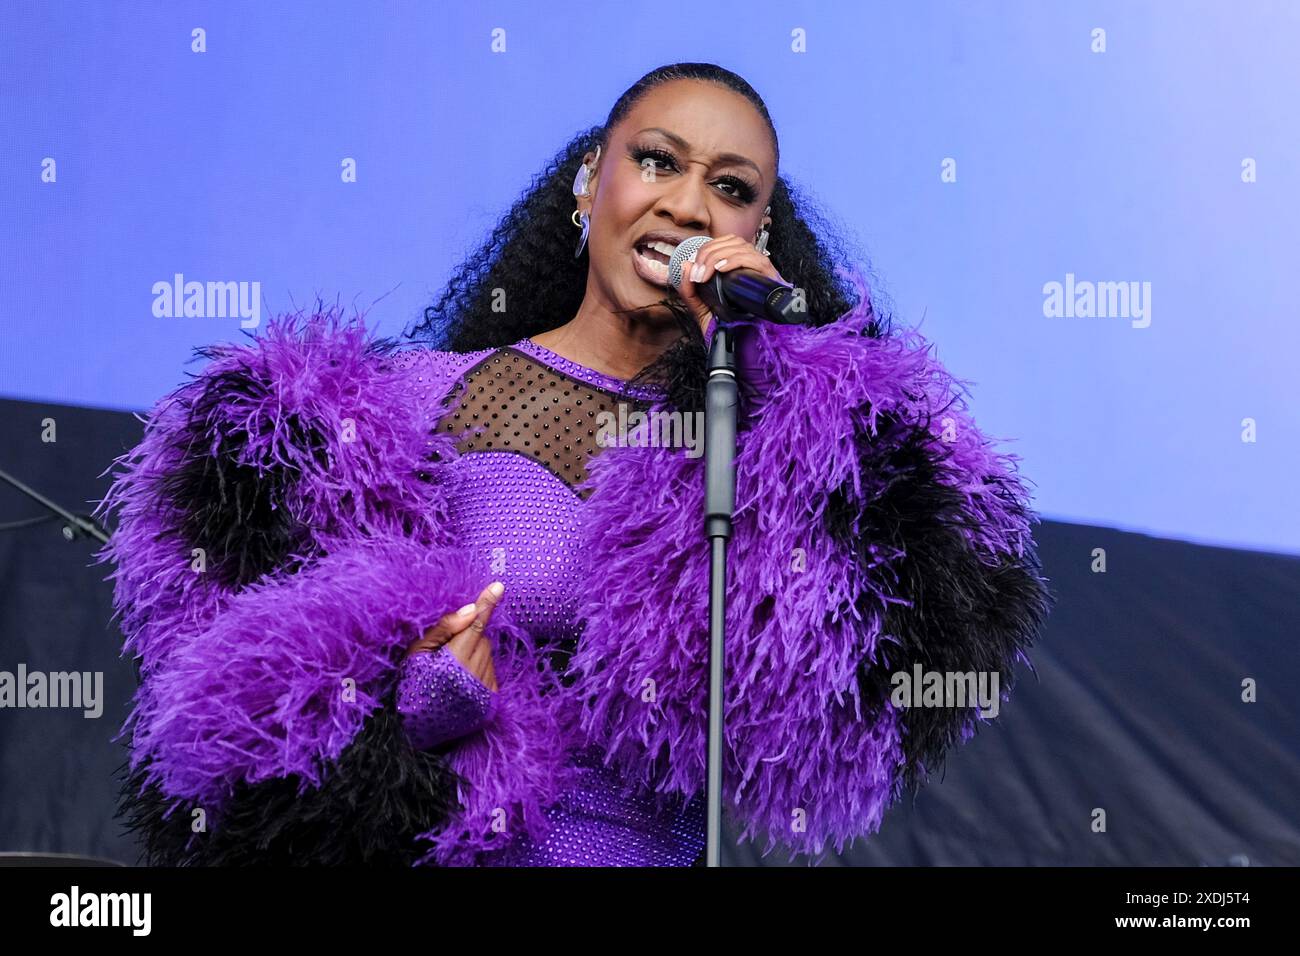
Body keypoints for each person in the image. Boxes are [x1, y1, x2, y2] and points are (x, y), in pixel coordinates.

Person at [93, 62, 1054, 867]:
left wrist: (785, 363)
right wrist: (413, 717)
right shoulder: (405, 407)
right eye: (655, 161)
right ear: (591, 182)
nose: (684, 203)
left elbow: (829, 690)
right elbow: (236, 707)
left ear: (755, 237)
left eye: (729, 187)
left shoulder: (765, 448)